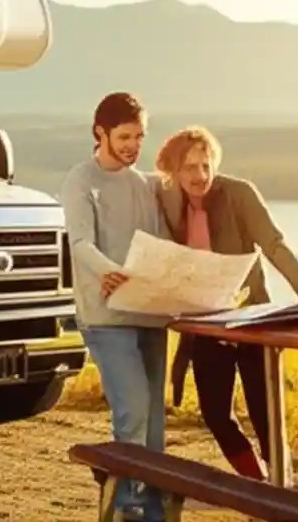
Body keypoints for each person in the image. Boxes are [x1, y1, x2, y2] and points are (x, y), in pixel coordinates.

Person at [153, 125, 298, 481]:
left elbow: (275, 246)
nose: (200, 176)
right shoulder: (169, 204)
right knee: (215, 415)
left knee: (265, 417)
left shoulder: (239, 195)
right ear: (173, 171)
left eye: (205, 164)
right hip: (205, 326)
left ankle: (281, 491)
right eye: (190, 167)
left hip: (253, 321)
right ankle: (258, 486)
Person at [60, 92, 172, 522]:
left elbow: (158, 244)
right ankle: (130, 506)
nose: (132, 145)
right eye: (124, 136)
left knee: (155, 421)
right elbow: (80, 242)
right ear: (99, 133)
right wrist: (109, 272)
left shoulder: (144, 185)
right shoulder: (80, 179)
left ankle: (155, 506)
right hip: (106, 316)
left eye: (139, 136)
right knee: (133, 410)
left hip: (150, 313)